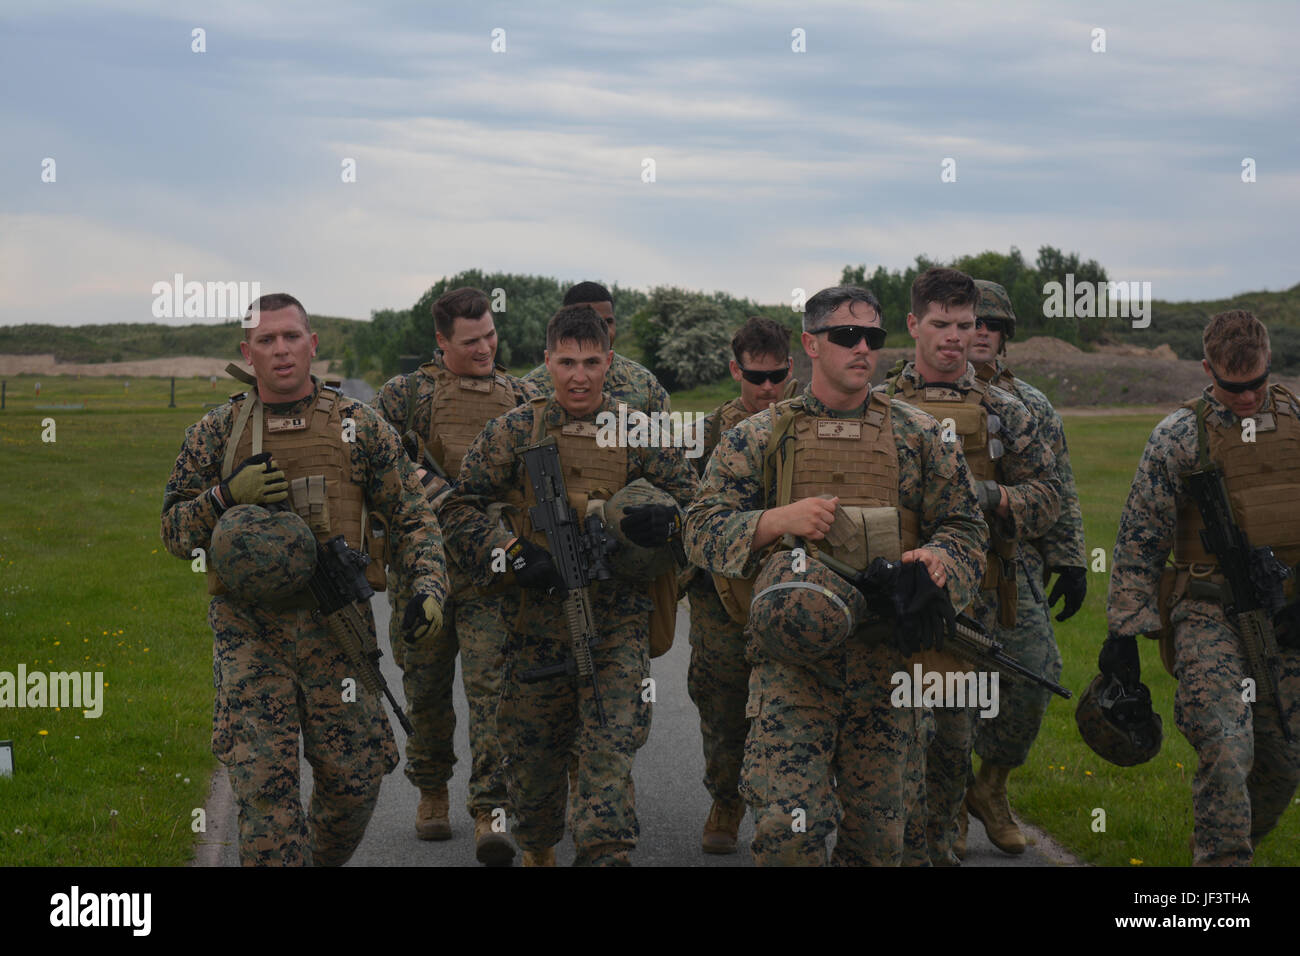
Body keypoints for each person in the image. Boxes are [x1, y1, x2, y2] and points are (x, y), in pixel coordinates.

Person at [684, 285, 988, 866]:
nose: (862, 349)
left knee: (878, 845)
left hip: (886, 669)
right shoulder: (761, 436)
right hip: (792, 672)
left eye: (872, 338)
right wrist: (776, 520)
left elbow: (966, 528)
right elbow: (700, 528)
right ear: (810, 345)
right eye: (846, 336)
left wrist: (940, 562)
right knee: (786, 836)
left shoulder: (921, 435)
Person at [161, 293, 447, 866]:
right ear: (247, 352)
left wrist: (429, 590)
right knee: (265, 799)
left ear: (312, 344)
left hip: (337, 631)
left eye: (291, 336)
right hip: (250, 635)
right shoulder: (217, 432)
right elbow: (174, 532)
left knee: (356, 782)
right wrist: (223, 496)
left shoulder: (359, 427)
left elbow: (414, 518)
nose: (281, 349)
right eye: (266, 340)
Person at [439, 305, 698, 865]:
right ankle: (537, 847)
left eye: (590, 362)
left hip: (616, 623)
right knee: (532, 781)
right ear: (547, 363)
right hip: (530, 625)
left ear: (609, 362)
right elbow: (458, 509)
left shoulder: (639, 431)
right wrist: (507, 553)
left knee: (608, 752)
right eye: (566, 362)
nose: (579, 376)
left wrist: (671, 521)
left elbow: (704, 510)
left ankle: (604, 848)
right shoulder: (513, 429)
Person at [1103, 309, 1300, 865]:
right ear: (1206, 368)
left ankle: (1222, 838)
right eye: (1231, 386)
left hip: (1283, 615)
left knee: (1284, 759)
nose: (1245, 397)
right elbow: (1140, 539)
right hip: (1206, 611)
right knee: (1226, 744)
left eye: (1256, 383)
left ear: (1270, 365)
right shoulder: (1178, 437)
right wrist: (1124, 632)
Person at [883, 267, 1061, 865]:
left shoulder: (1008, 410)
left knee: (955, 727)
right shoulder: (880, 407)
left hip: (978, 593)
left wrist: (994, 498)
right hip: (900, 596)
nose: (956, 337)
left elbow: (1047, 497)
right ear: (914, 325)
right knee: (898, 728)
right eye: (942, 325)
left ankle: (948, 826)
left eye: (966, 325)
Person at [373, 286, 539, 863]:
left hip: (491, 571)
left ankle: (490, 810)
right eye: (470, 342)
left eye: (490, 335)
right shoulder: (404, 395)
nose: (485, 348)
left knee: (494, 691)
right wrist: (440, 495)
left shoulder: (521, 395)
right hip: (425, 568)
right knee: (425, 685)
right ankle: (431, 790)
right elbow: (383, 464)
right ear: (441, 342)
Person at [962, 279, 1087, 855]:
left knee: (1036, 678)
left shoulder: (1031, 404)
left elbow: (1058, 483)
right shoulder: (908, 395)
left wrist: (1069, 559)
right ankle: (941, 810)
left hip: (1013, 569)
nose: (982, 332)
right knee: (939, 690)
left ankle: (991, 786)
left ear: (1005, 335)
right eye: (973, 321)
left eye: (993, 325)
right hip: (936, 566)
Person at [686, 315, 799, 853]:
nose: (768, 388)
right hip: (721, 593)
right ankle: (726, 798)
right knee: (722, 702)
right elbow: (686, 513)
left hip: (794, 591)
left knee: (793, 704)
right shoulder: (709, 432)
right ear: (735, 370)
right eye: (756, 377)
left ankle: (791, 813)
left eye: (778, 375)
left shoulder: (809, 423)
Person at [522, 281, 670, 415]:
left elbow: (663, 442)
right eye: (591, 322)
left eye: (608, 322)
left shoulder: (645, 384)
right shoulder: (530, 389)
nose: (604, 331)